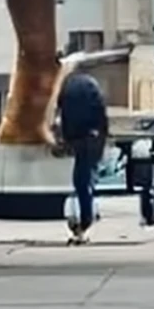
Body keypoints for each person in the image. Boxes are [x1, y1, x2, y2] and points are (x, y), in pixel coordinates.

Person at [57, 69, 108, 245]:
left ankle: (84, 222)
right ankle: (86, 220)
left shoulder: (68, 89)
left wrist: (66, 139)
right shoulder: (90, 86)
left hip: (79, 139)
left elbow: (64, 116)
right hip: (93, 138)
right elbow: (101, 113)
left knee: (80, 180)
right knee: (87, 179)